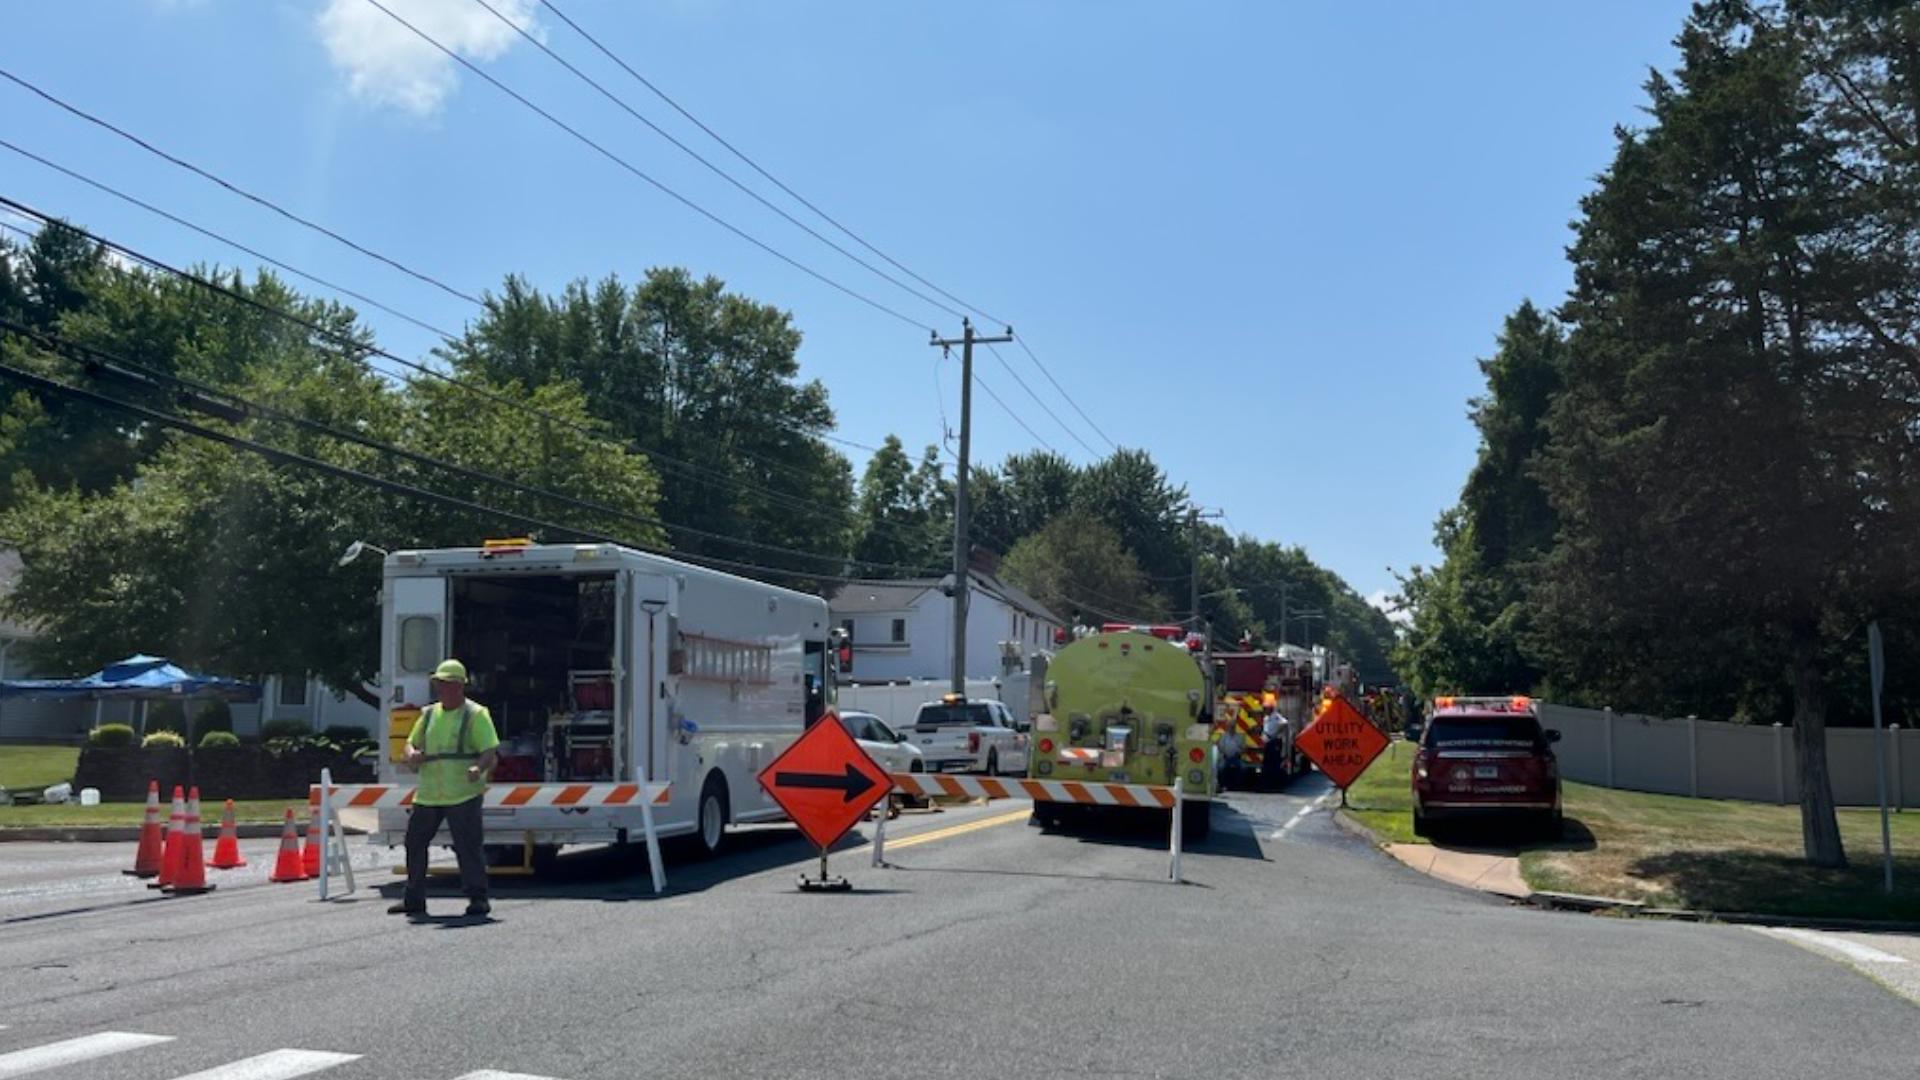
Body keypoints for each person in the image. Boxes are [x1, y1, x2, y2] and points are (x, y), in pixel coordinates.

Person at [390, 659, 499, 919]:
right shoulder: (428, 714)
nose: (442, 689)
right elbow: (410, 743)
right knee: (414, 843)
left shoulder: (476, 714)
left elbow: (489, 750)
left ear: (460, 686)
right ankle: (414, 899)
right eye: (439, 684)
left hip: (463, 793)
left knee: (468, 847)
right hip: (429, 794)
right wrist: (411, 753)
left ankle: (478, 898)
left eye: (447, 684)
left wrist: (478, 768)